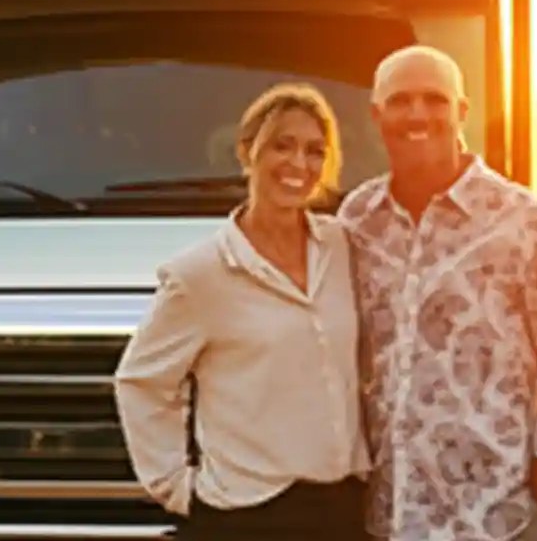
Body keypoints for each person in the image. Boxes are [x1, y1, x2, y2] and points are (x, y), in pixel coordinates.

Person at [337, 45, 537, 541]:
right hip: (384, 515)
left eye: (434, 99)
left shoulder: (527, 222)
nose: (417, 114)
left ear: (461, 111)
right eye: (400, 100)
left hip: (491, 519)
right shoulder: (357, 218)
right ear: (377, 115)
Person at [113, 82, 370, 541]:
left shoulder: (342, 245)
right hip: (248, 515)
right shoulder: (200, 274)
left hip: (345, 509)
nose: (298, 164)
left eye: (314, 151)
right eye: (282, 145)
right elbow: (142, 382)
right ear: (247, 151)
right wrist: (173, 484)